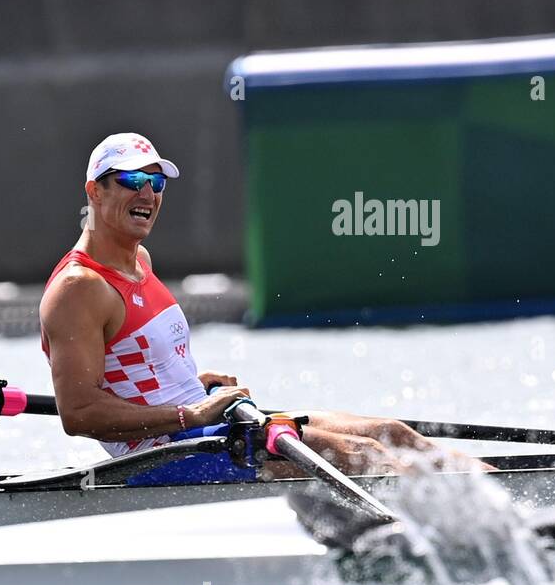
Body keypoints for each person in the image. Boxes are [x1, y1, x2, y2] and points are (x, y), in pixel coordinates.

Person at [39, 133, 480, 483]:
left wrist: (191, 385)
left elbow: (133, 370)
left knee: (392, 434)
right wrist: (189, 413)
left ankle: (515, 503)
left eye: (157, 183)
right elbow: (80, 413)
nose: (149, 194)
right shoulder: (78, 288)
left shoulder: (139, 262)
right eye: (133, 181)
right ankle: (472, 533)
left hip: (205, 431)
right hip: (163, 454)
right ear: (94, 191)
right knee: (367, 456)